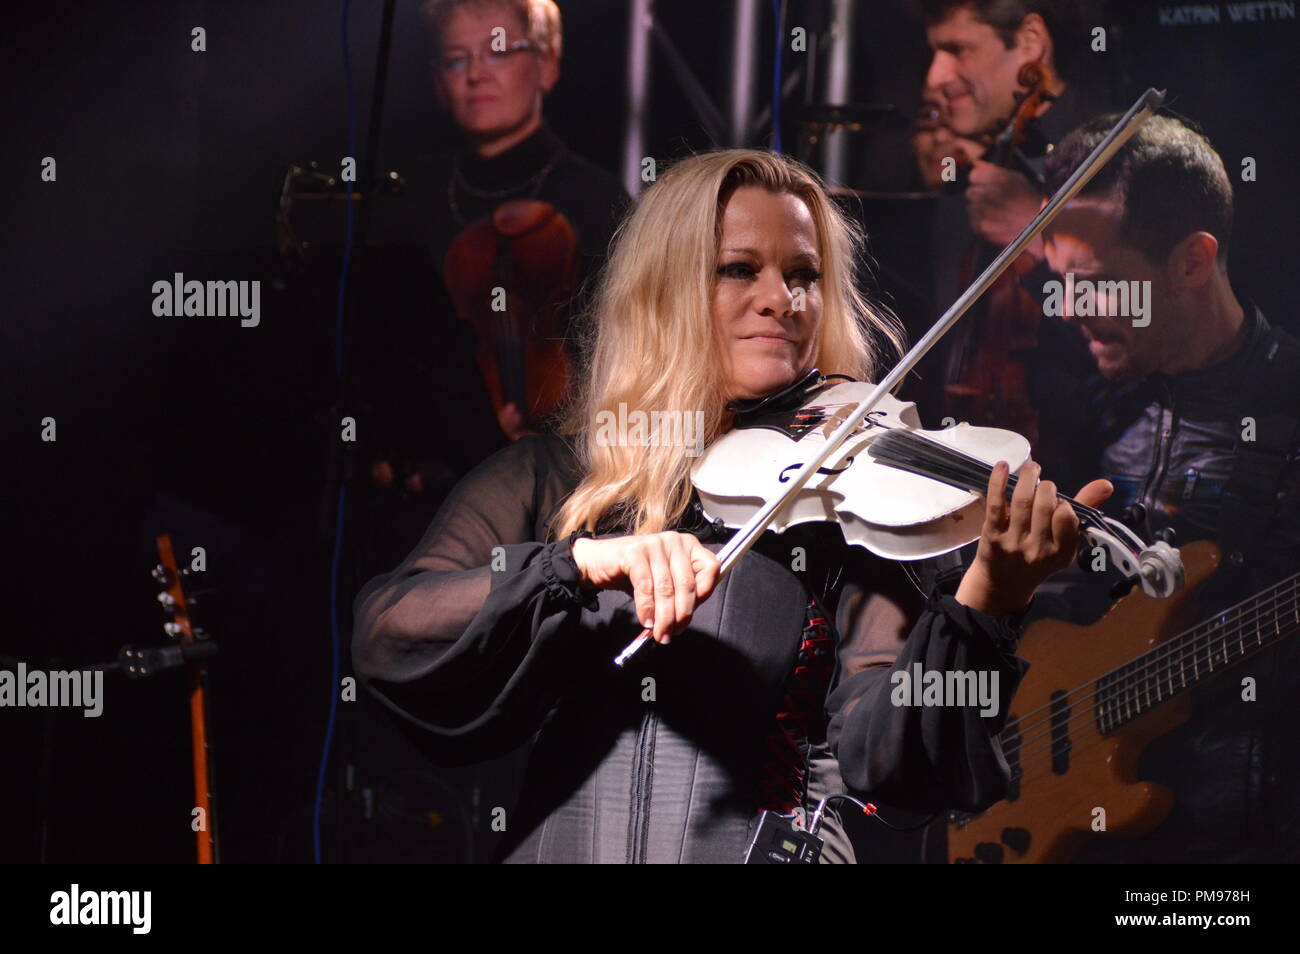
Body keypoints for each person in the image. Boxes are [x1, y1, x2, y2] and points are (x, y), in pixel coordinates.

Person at [352, 147, 1113, 863]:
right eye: (738, 269)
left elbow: (892, 767)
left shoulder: (848, 509)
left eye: (805, 275)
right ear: (665, 292)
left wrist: (987, 600)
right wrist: (582, 562)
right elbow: (388, 631)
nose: (781, 300)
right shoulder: (552, 478)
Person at [1032, 114, 1300, 862]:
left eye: (1093, 286)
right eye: (1059, 286)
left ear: (1192, 260)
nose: (1072, 312)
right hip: (1079, 815)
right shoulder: (1084, 398)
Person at [913, 0, 1106, 485]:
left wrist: (1037, 236)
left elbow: (1143, 345)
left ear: (1030, 43)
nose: (935, 76)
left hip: (1079, 478)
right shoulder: (985, 170)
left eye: (957, 49)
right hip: (972, 459)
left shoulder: (1113, 163)